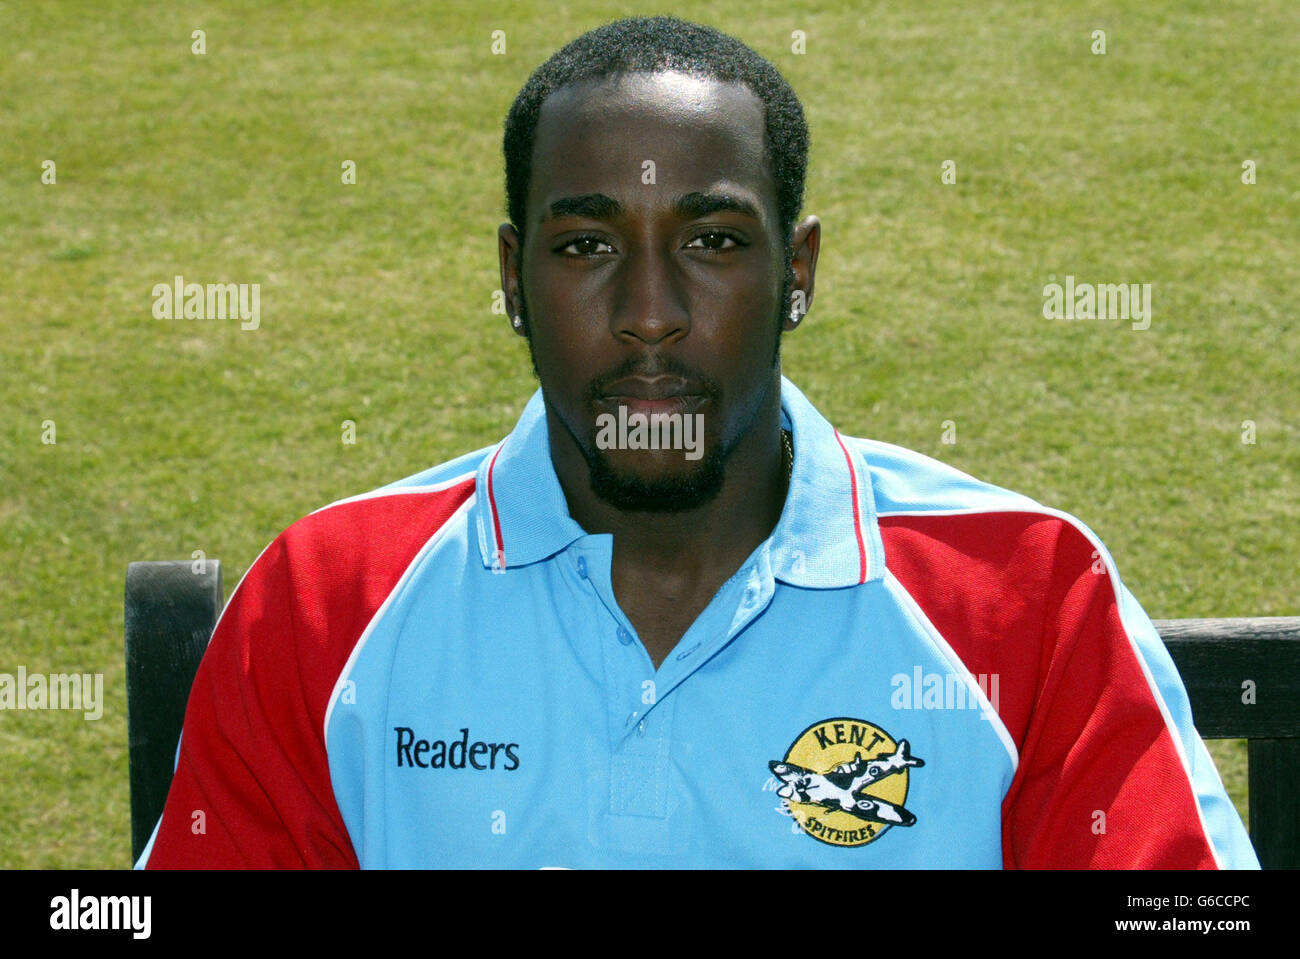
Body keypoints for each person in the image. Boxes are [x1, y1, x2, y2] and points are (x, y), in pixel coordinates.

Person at [137, 16, 1257, 868]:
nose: (650, 310)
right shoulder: (328, 602)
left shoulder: (1028, 595)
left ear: (797, 272)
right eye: (585, 246)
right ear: (512, 281)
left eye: (713, 239)